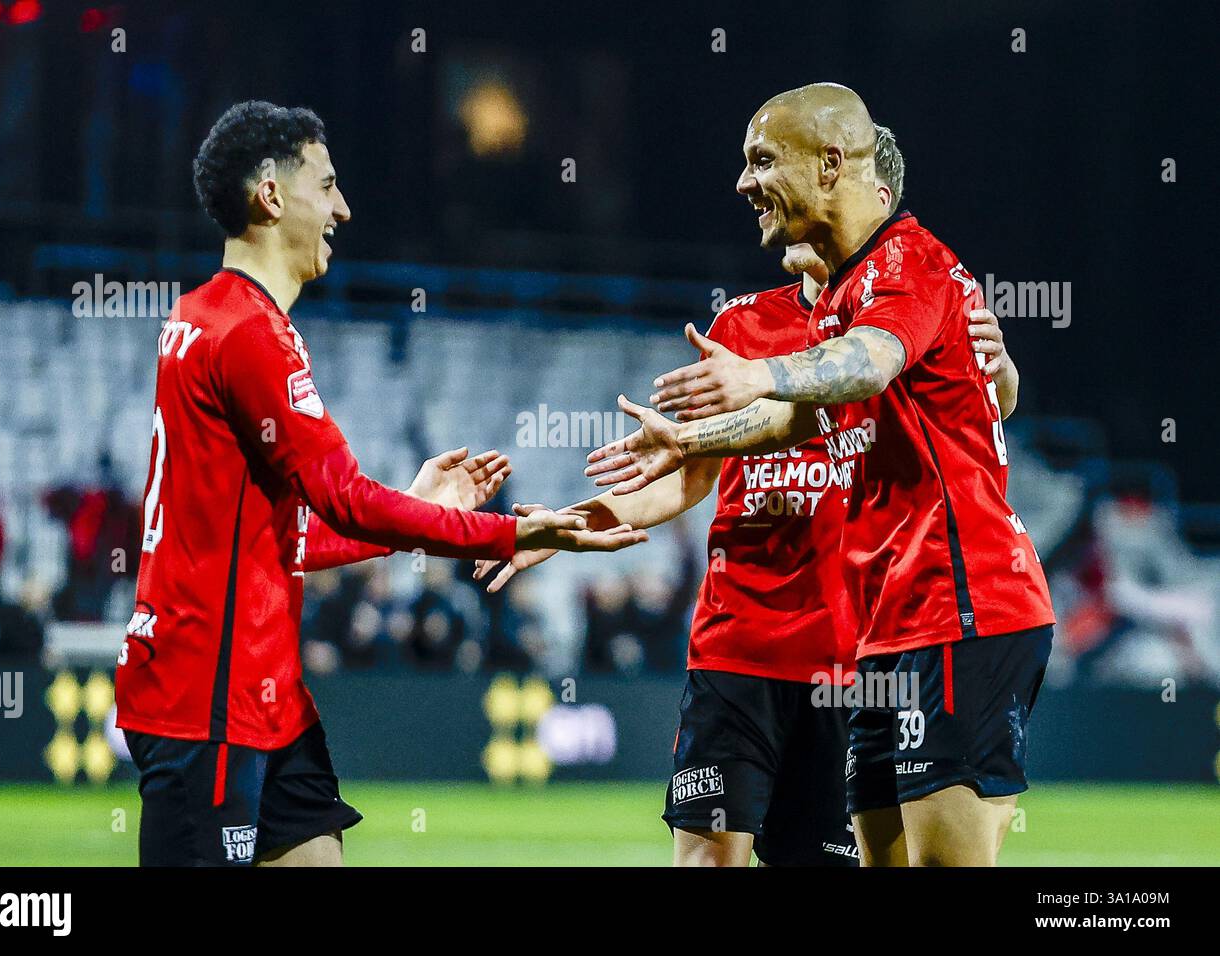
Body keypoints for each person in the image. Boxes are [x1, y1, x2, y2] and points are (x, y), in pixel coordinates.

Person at [115, 101, 647, 868]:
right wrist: (505, 532)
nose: (343, 210)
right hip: (210, 698)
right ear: (271, 196)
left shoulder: (202, 316)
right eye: (327, 186)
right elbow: (345, 499)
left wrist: (420, 509)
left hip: (262, 694)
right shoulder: (250, 335)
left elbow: (286, 536)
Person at [481, 121, 1021, 866]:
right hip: (736, 652)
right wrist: (569, 524)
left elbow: (977, 406)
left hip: (848, 661)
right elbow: (687, 473)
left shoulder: (895, 317)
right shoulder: (743, 324)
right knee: (708, 858)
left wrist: (1002, 369)